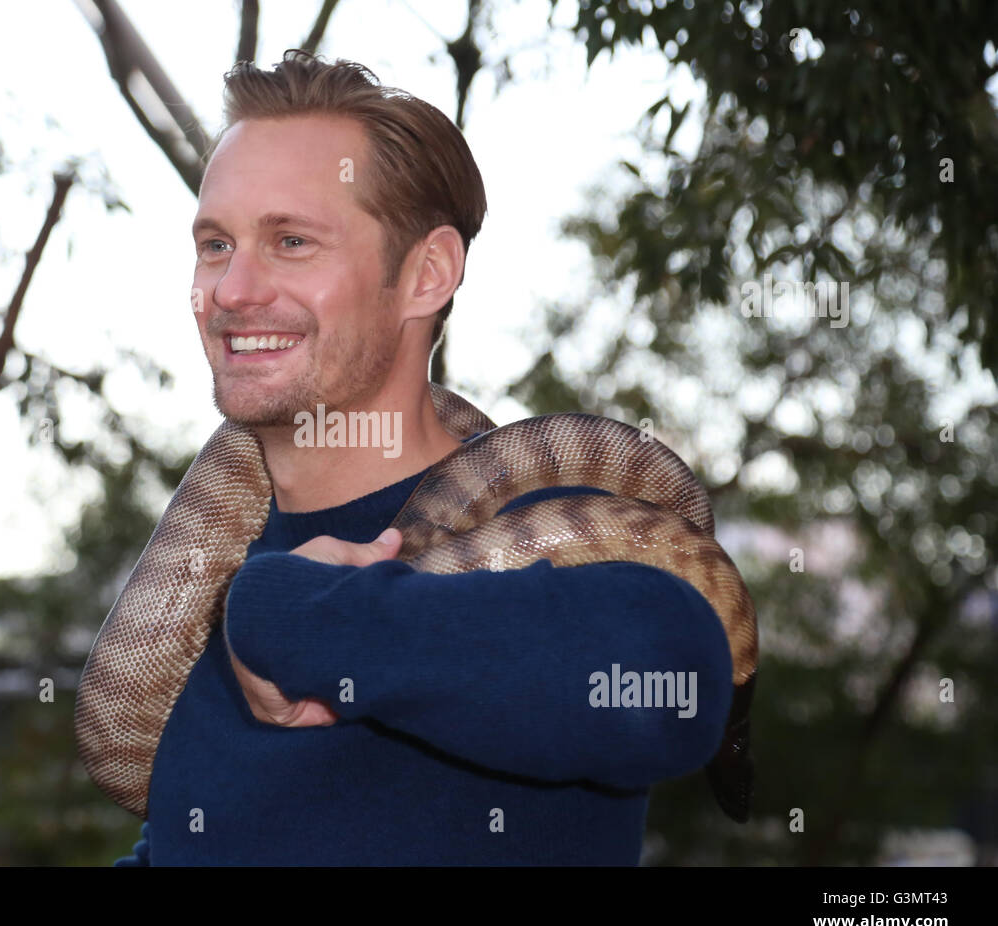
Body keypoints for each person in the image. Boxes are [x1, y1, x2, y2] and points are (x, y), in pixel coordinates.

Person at [115, 50, 732, 866]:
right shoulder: (201, 615)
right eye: (215, 244)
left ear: (426, 274)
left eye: (292, 241)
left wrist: (286, 611)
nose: (231, 290)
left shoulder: (552, 530)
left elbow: (675, 685)